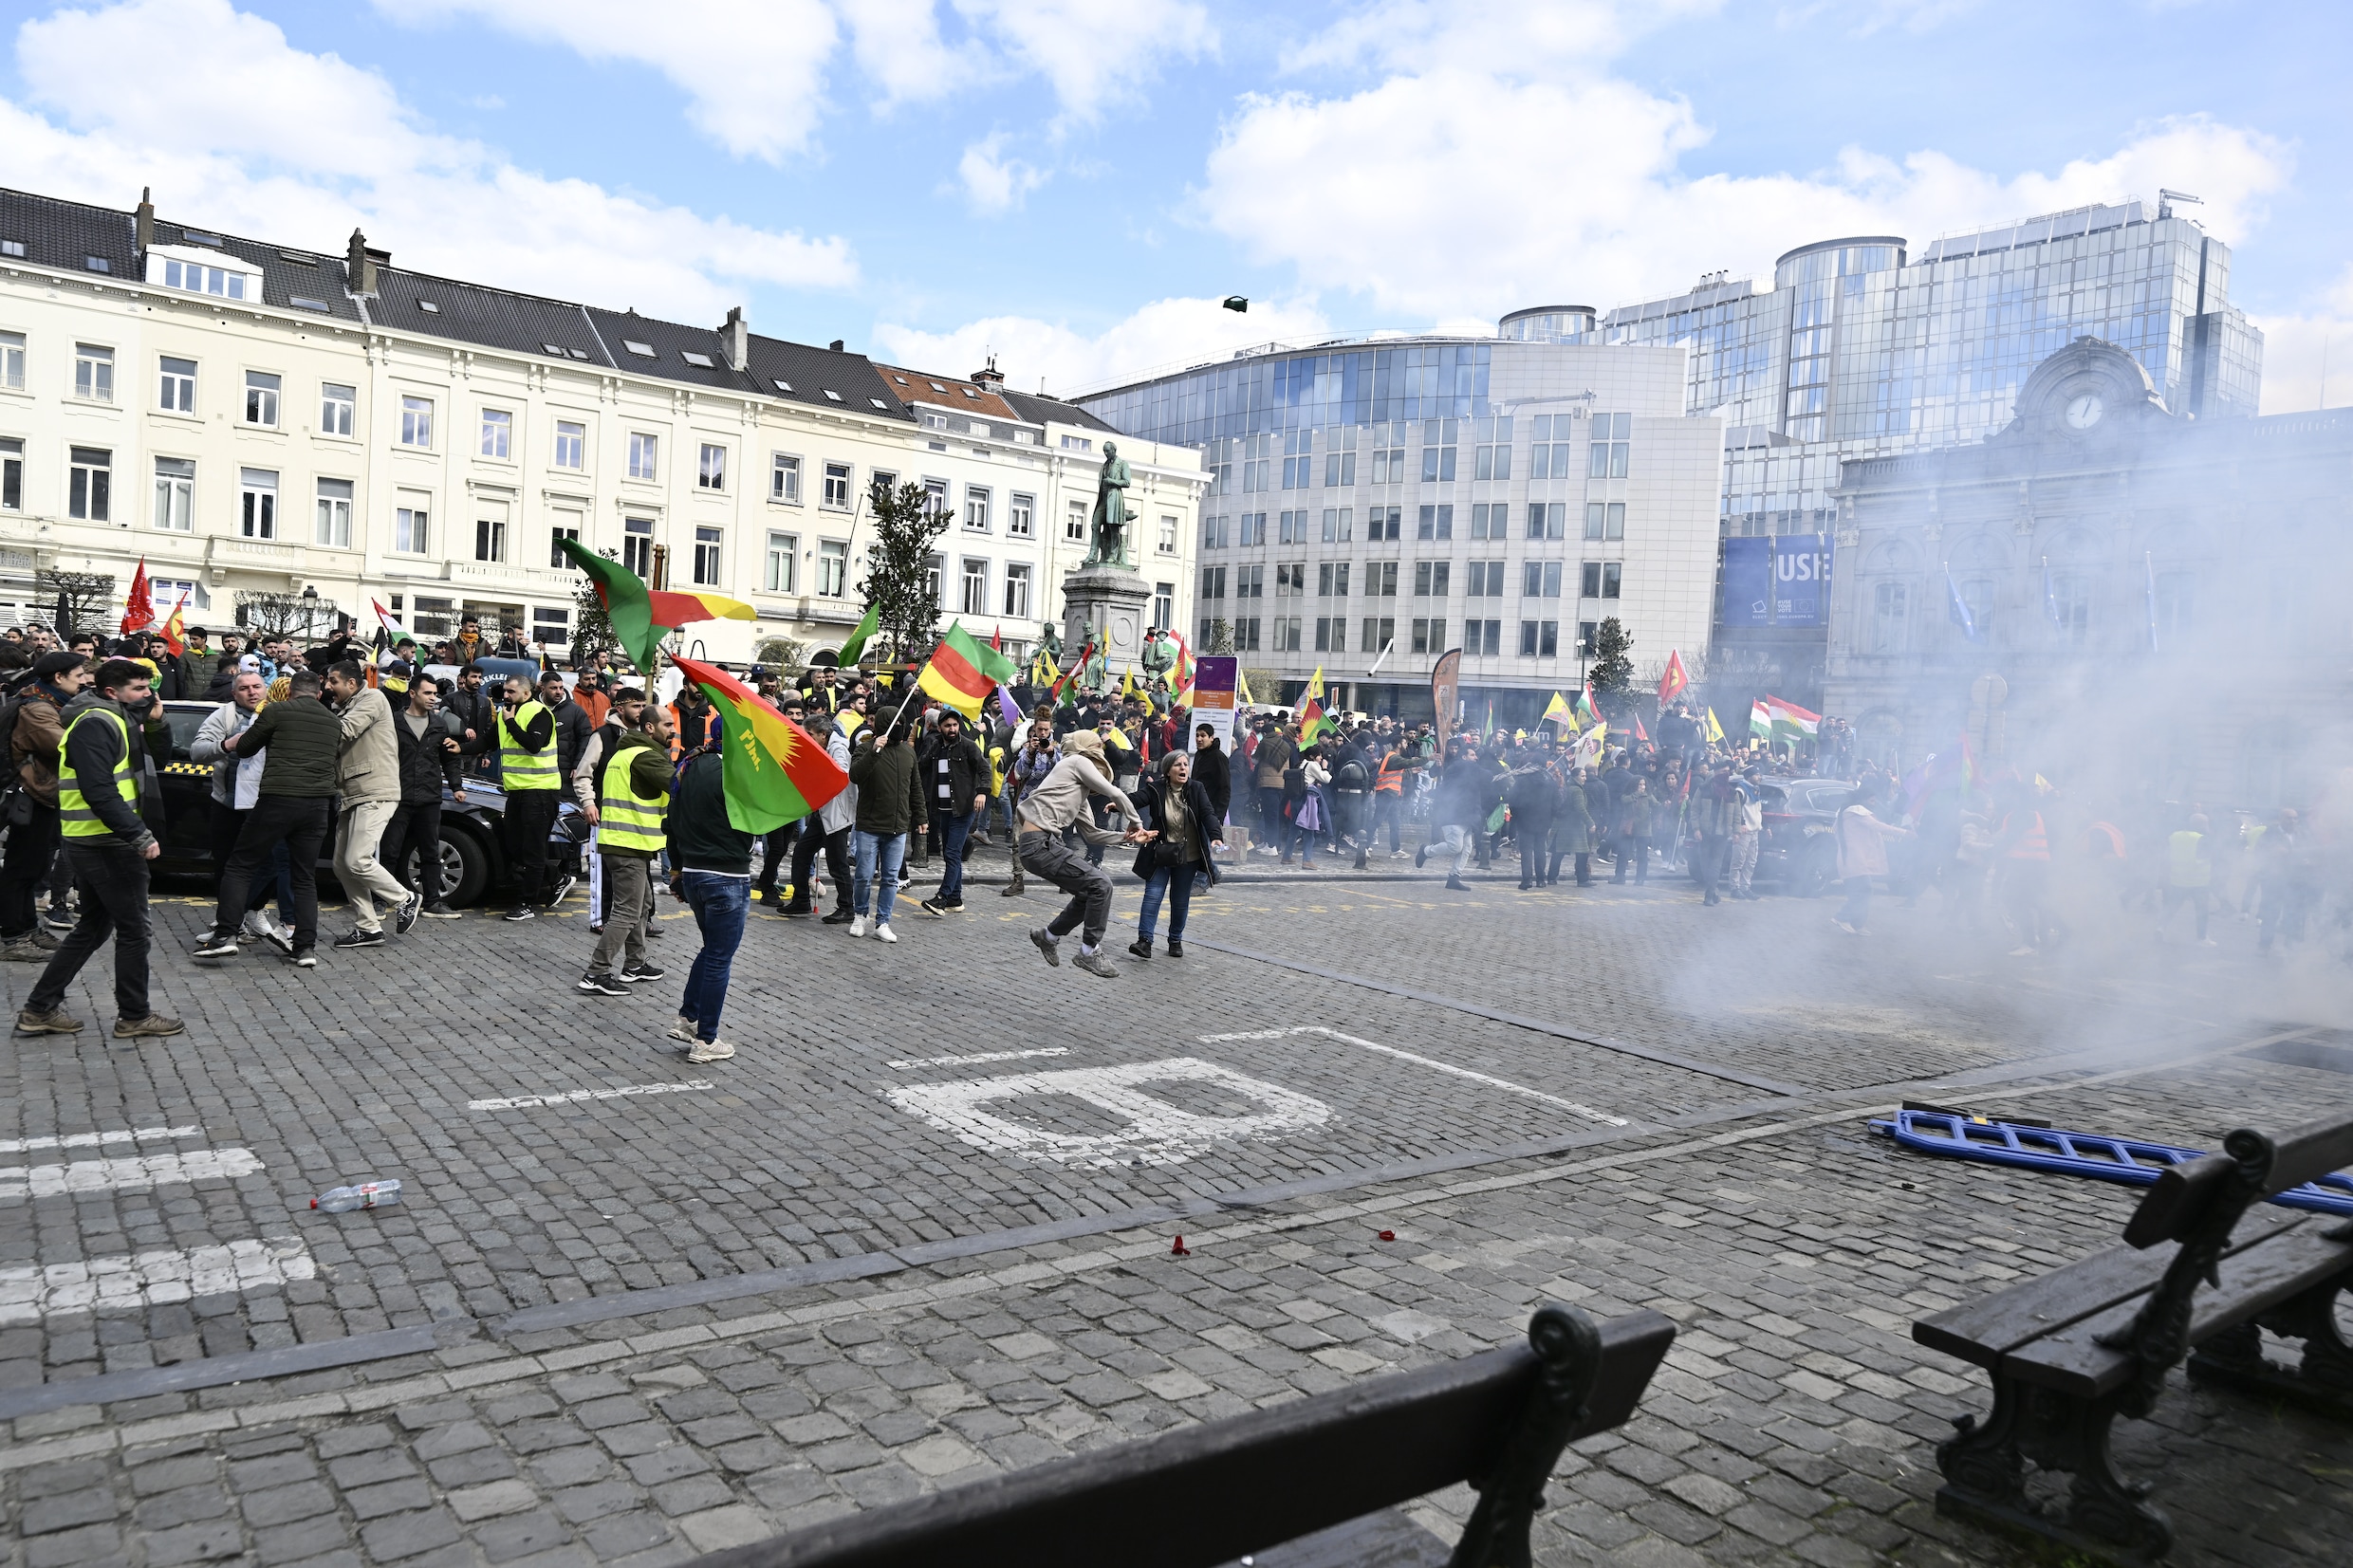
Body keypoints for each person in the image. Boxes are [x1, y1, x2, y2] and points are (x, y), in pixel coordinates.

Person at [13, 661, 182, 1038]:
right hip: (106, 842)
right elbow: (98, 788)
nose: (149, 694)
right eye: (140, 688)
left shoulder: (117, 717)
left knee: (91, 928)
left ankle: (39, 1008)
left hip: (101, 839)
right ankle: (134, 1015)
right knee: (135, 930)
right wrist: (138, 835)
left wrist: (156, 720)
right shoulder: (96, 722)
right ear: (112, 691)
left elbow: (159, 754)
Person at [195, 670, 341, 965]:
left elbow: (246, 748)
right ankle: (304, 948)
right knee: (303, 878)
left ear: (288, 692)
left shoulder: (276, 711)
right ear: (319, 694)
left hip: (278, 799)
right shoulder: (333, 720)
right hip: (317, 806)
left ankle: (225, 935)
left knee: (240, 865)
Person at [1015, 727, 1146, 979]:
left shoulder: (1078, 789)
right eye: (1098, 744)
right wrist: (1136, 821)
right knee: (1102, 884)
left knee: (1090, 891)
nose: (1102, 748)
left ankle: (1049, 935)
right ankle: (1088, 951)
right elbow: (1115, 792)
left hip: (1041, 845)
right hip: (1037, 844)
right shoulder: (1075, 761)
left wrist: (1127, 836)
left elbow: (1092, 834)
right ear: (1086, 747)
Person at [579, 706, 676, 995]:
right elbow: (680, 783)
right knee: (626, 912)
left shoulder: (625, 752)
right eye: (668, 724)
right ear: (649, 728)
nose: (673, 729)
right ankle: (596, 973)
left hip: (628, 843)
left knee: (642, 905)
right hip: (628, 845)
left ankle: (635, 964)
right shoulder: (645, 756)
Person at [0, 652, 89, 962]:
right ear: (58, 678)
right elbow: (65, 745)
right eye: (79, 676)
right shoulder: (37, 709)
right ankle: (12, 937)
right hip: (31, 796)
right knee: (20, 869)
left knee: (32, 867)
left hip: (42, 795)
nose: (85, 680)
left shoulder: (50, 702)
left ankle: (26, 927)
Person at [324, 661, 419, 949]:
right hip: (352, 792)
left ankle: (405, 898)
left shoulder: (373, 698)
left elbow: (345, 731)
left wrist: (309, 721)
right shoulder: (345, 705)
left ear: (351, 683)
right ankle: (368, 927)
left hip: (375, 790)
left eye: (333, 681)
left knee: (358, 860)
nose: (328, 686)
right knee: (342, 864)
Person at [384, 675, 468, 918]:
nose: (433, 698)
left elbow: (450, 759)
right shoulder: (394, 721)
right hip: (398, 795)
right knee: (390, 850)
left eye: (434, 694)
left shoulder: (439, 725)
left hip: (429, 797)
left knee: (431, 852)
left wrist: (456, 787)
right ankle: (381, 900)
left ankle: (433, 902)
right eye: (428, 693)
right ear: (412, 694)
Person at [1129, 750, 1219, 959]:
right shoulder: (1155, 788)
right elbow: (1135, 799)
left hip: (1188, 855)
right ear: (1168, 770)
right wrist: (1117, 804)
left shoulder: (1196, 789)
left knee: (1179, 900)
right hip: (1160, 852)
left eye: (1186, 765)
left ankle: (1175, 939)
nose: (1183, 769)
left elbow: (1207, 813)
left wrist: (1216, 836)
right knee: (1152, 896)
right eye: (1178, 765)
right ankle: (1145, 941)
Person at [494, 673, 565, 920]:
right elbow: (489, 740)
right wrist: (460, 747)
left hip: (541, 791)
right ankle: (556, 878)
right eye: (504, 690)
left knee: (533, 850)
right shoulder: (504, 714)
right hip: (517, 790)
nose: (505, 695)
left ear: (526, 693)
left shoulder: (540, 714)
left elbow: (533, 745)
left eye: (511, 691)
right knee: (514, 846)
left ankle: (526, 903)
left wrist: (512, 723)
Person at [779, 700, 857, 923]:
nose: (808, 738)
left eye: (811, 734)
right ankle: (801, 899)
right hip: (822, 812)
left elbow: (841, 774)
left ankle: (847, 907)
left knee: (837, 862)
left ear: (823, 734)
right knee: (802, 853)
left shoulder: (837, 747)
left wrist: (818, 768)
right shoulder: (823, 745)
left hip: (836, 814)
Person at [846, 715, 917, 941]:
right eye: (895, 723)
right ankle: (860, 915)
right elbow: (855, 775)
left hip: (897, 827)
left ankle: (883, 922)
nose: (900, 728)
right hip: (869, 825)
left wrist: (922, 818)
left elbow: (915, 788)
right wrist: (872, 752)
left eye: (902, 724)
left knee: (890, 878)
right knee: (864, 876)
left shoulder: (908, 753)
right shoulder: (866, 748)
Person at [918, 710, 989, 916]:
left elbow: (985, 769)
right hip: (942, 810)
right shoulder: (935, 746)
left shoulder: (968, 746)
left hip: (962, 809)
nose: (952, 729)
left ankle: (942, 897)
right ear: (939, 727)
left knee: (951, 853)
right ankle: (955, 898)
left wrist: (982, 793)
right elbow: (920, 766)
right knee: (951, 854)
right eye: (947, 726)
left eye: (954, 725)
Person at [1832, 784, 1912, 935]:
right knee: (1864, 890)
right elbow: (1879, 826)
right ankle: (1842, 917)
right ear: (1863, 800)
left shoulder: (1848, 813)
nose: (1874, 804)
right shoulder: (1856, 813)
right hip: (1855, 859)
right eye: (1872, 801)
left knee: (1861, 891)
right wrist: (1905, 833)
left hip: (1853, 859)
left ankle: (1857, 925)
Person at [1000, 716, 1059, 897]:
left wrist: (1050, 752)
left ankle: (1063, 878)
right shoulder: (1026, 750)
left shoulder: (1056, 750)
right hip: (1026, 802)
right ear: (1034, 730)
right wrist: (1031, 754)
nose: (1042, 733)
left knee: (1054, 842)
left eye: (1046, 730)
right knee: (1018, 842)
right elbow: (1021, 773)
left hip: (1048, 803)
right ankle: (1018, 881)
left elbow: (1061, 770)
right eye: (1040, 730)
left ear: (1050, 731)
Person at [2158, 813, 2216, 946]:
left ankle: (2160, 928)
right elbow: (2211, 856)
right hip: (2198, 881)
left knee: (2172, 907)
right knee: (2201, 911)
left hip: (2178, 879)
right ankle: (2201, 938)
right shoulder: (2203, 839)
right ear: (2202, 825)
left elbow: (2166, 854)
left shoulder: (2175, 836)